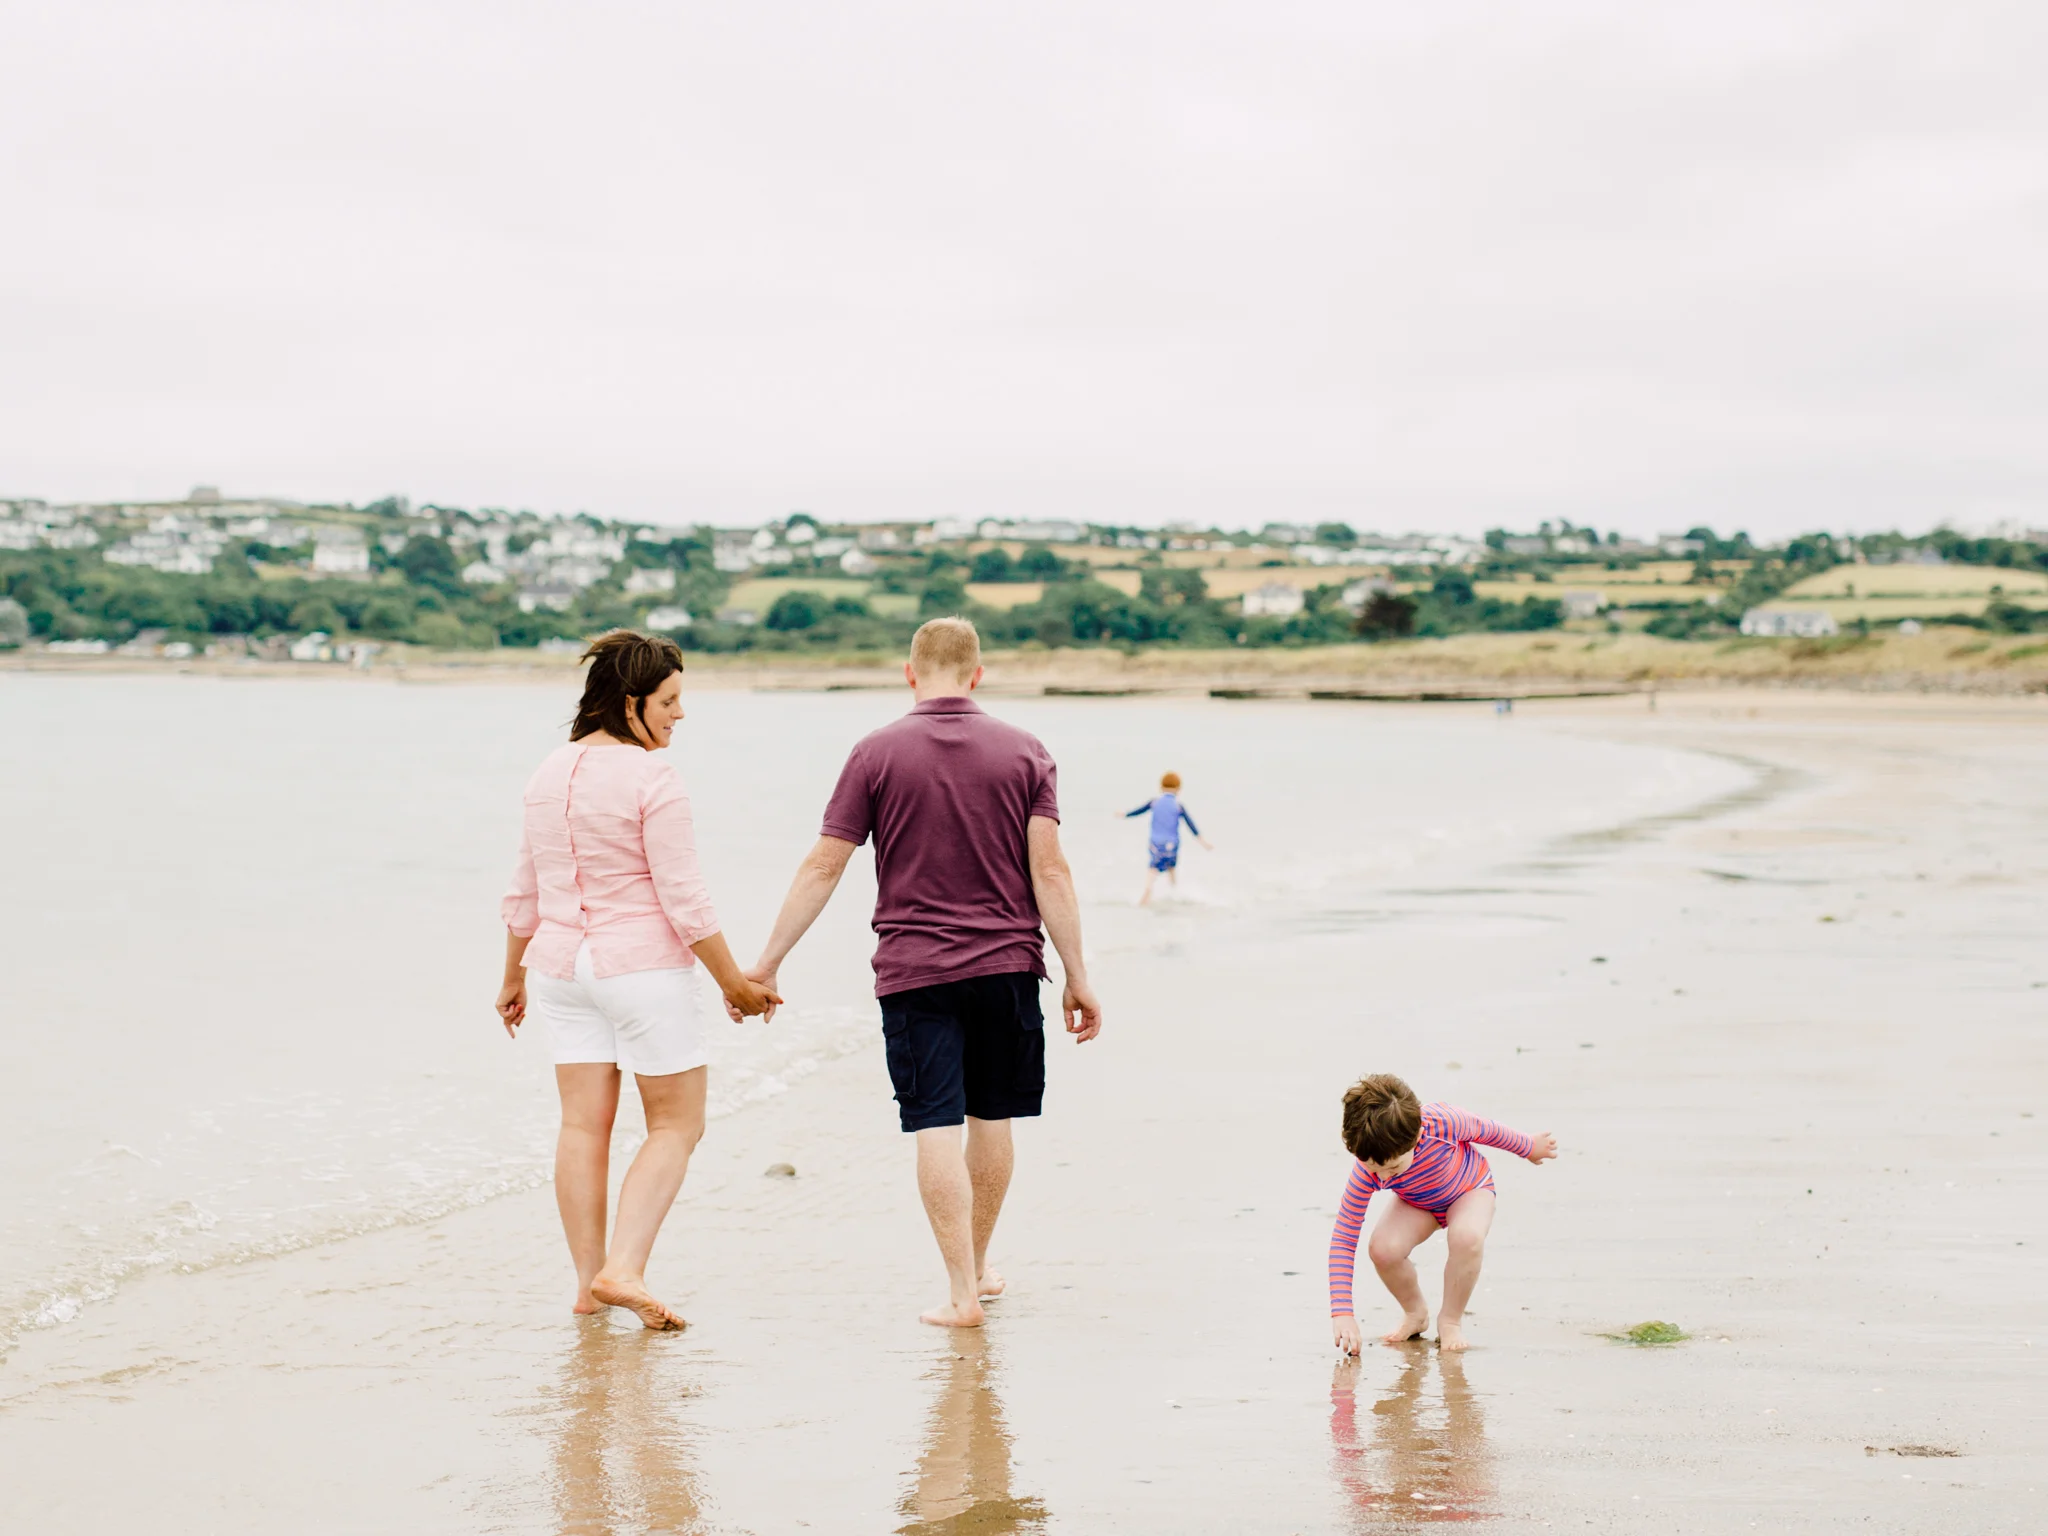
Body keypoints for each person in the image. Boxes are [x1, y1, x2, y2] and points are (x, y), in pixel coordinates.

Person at [741, 616, 1103, 1327]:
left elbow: (825, 864)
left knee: (934, 1123)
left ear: (910, 672)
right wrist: (1077, 973)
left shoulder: (875, 753)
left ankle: (962, 1291)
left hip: (915, 970)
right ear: (977, 673)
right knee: (991, 1117)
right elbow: (1051, 870)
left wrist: (766, 963)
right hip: (1007, 965)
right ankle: (980, 1266)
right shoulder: (1026, 753)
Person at [496, 630, 779, 1331]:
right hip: (639, 969)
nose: (680, 715)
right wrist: (734, 984)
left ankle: (589, 1286)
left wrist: (512, 979)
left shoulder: (545, 773)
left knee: (581, 1127)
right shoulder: (653, 778)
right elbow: (684, 899)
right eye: (670, 700)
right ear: (631, 703)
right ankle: (623, 1266)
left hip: (560, 970)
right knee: (678, 1124)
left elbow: (524, 892)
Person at [1327, 1073, 1557, 1354]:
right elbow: (1344, 1235)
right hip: (1418, 1203)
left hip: (1469, 1188)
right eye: (1374, 1168)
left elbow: (1486, 1130)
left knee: (1466, 1237)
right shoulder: (1367, 1168)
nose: (1382, 1176)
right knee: (1382, 1249)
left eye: (1393, 1167)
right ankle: (1415, 1314)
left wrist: (1528, 1146)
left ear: (1416, 1136)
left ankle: (1450, 1320)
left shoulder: (1442, 1123)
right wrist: (1342, 1312)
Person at [1125, 771, 1211, 905]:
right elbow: (1191, 825)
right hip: (1172, 844)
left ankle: (1148, 890)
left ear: (1160, 787)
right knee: (1171, 868)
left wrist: (1124, 814)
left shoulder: (1154, 802)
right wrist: (1203, 842)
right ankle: (1174, 891)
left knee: (1153, 868)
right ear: (1178, 789)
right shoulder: (1178, 806)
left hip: (1156, 843)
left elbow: (1138, 811)